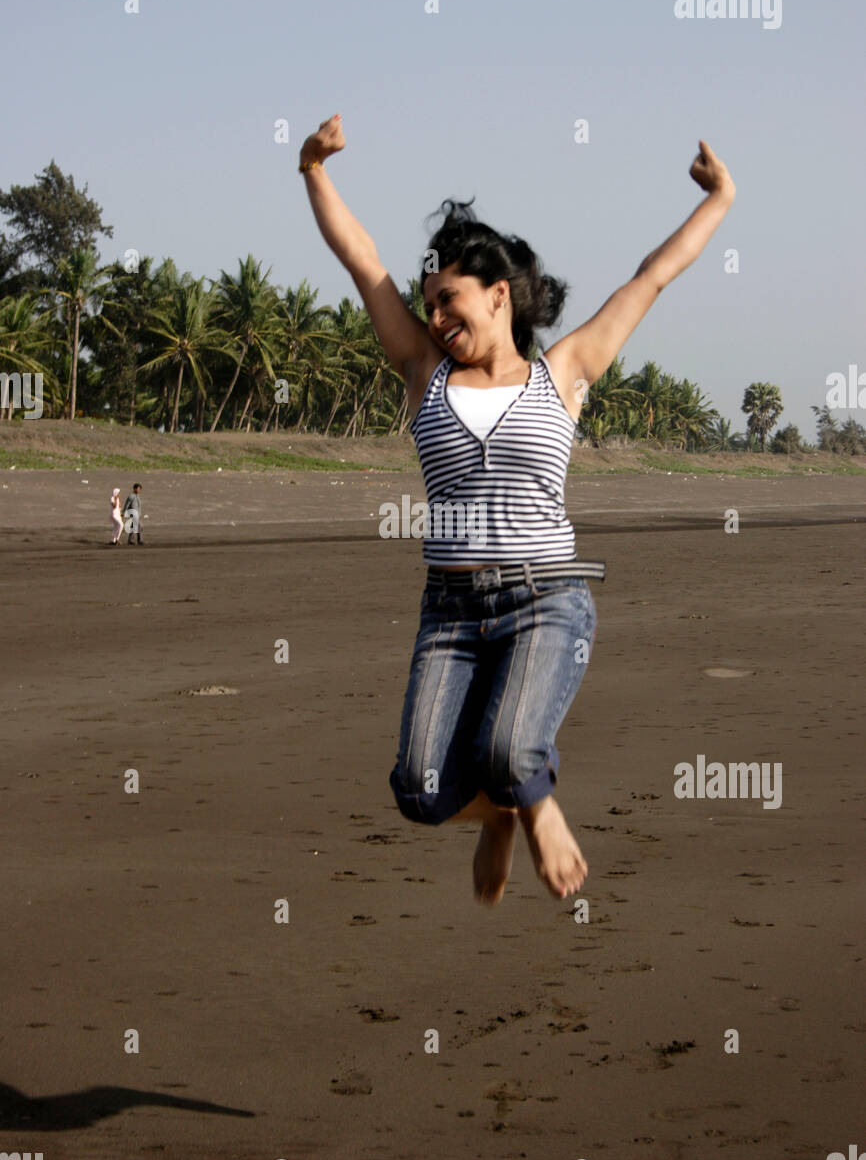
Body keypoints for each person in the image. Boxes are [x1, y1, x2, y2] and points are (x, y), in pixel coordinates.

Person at [299, 113, 735, 906]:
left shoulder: (562, 374)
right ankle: (499, 816)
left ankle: (534, 805)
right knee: (420, 789)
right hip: (451, 612)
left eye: (449, 299)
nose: (434, 316)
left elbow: (650, 277)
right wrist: (313, 171)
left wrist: (719, 200)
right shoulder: (423, 371)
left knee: (507, 751)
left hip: (547, 600)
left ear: (499, 296)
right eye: (428, 301)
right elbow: (361, 264)